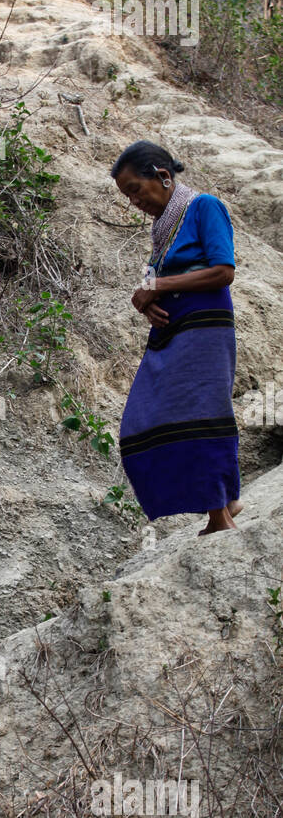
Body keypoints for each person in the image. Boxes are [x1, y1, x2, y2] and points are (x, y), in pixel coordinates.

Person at [112, 141, 241, 534]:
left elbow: (223, 271)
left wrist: (160, 284)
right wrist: (147, 301)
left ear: (164, 177)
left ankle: (219, 515)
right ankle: (228, 496)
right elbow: (155, 279)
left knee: (198, 413)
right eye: (127, 195)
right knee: (140, 422)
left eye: (136, 188)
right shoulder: (163, 229)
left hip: (204, 329)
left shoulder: (204, 207)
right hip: (171, 332)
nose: (134, 201)